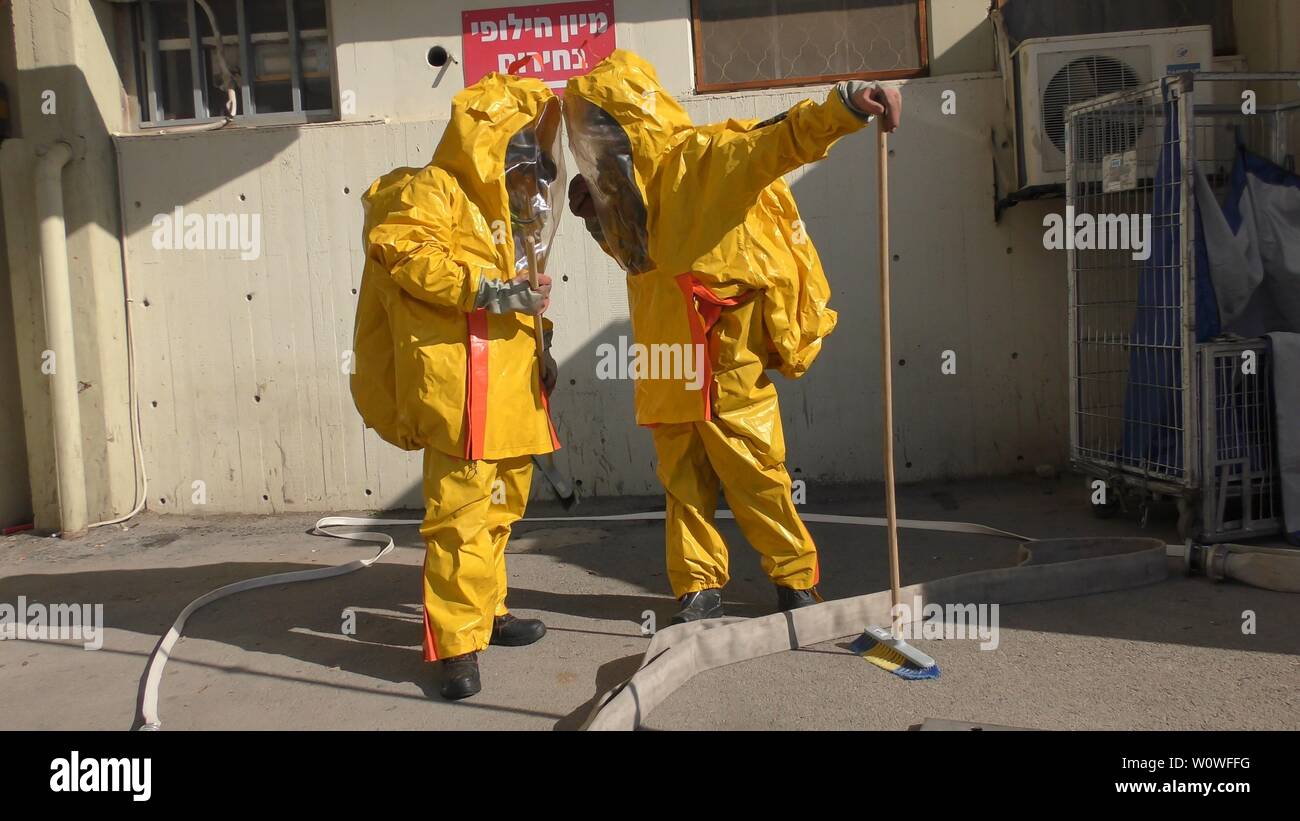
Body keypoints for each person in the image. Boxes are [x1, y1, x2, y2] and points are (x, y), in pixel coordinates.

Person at [565, 50, 901, 624]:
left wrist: (845, 104)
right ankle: (697, 585)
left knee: (754, 468)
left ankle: (794, 578)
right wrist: (598, 219)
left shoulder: (699, 160)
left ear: (627, 123)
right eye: (589, 137)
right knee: (681, 474)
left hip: (720, 342)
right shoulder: (626, 193)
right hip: (663, 347)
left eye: (603, 131)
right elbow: (644, 261)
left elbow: (776, 140)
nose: (597, 149)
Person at [350, 73, 566, 699]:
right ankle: (455, 646)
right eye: (518, 149)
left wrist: (542, 342)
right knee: (460, 519)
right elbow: (405, 255)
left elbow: (527, 285)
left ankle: (488, 612)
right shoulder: (433, 190)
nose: (529, 167)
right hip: (465, 388)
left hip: (513, 383)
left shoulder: (514, 208)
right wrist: (495, 292)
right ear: (490, 141)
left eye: (534, 152)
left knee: (501, 511)